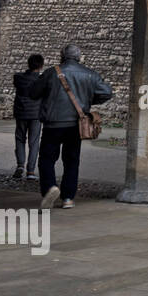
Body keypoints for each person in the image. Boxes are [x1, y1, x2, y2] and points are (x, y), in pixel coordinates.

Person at [32, 44, 112, 210]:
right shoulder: (90, 74)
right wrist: (87, 100)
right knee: (72, 160)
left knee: (47, 159)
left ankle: (49, 188)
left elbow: (34, 92)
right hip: (76, 124)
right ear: (79, 57)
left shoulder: (51, 73)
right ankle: (68, 197)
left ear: (62, 55)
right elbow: (106, 92)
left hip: (53, 123)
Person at [12, 53, 44, 180]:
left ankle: (20, 165)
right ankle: (30, 171)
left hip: (21, 112)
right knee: (34, 142)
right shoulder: (41, 80)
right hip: (36, 114)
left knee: (20, 139)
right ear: (41, 66)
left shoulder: (18, 78)